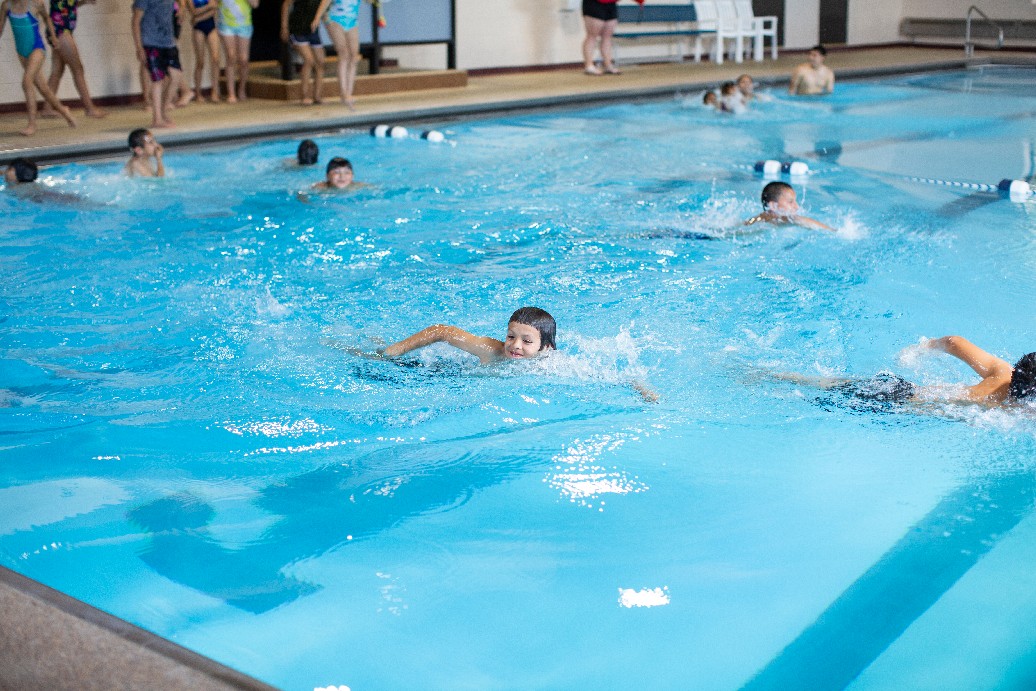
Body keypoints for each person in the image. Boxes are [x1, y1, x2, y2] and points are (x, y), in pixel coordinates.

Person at [777, 336, 1036, 410]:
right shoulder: (1007, 406)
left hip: (897, 387)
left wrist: (920, 348)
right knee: (804, 393)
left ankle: (771, 376)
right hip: (893, 402)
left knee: (812, 383)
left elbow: (955, 342)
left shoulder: (1003, 372)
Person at [0, 0, 77, 136]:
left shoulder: (35, 4)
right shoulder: (6, 5)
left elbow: (47, 18)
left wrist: (53, 37)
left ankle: (32, 124)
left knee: (26, 82)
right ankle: (65, 112)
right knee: (44, 89)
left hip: (37, 49)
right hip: (22, 52)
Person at [381, 307, 557, 364]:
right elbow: (443, 331)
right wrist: (396, 349)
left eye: (526, 341)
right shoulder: (492, 351)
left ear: (546, 347)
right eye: (511, 337)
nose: (515, 345)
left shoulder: (551, 367)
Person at [42, 0, 105, 118]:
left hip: (59, 31)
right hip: (60, 31)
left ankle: (47, 108)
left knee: (57, 71)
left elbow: (69, 4)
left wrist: (84, 2)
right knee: (78, 70)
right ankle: (89, 108)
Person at [132, 0, 185, 128]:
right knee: (158, 80)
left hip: (168, 42)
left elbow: (181, 3)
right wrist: (139, 48)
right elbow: (135, 22)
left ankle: (163, 110)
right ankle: (157, 119)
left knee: (176, 75)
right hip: (151, 42)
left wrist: (181, 9)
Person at [280, 0, 330, 106]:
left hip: (312, 30)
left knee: (320, 62)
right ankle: (305, 95)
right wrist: (284, 27)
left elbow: (324, 11)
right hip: (298, 29)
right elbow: (286, 4)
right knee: (309, 60)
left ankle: (317, 96)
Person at [744, 181, 833, 231]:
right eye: (790, 202)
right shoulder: (778, 218)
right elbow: (798, 220)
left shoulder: (759, 218)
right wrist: (833, 231)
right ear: (773, 206)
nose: (796, 206)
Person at [218, 0, 259, 103]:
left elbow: (255, 4)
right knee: (231, 56)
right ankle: (231, 93)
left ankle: (241, 89)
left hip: (244, 24)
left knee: (244, 59)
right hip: (226, 24)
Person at [323, 0, 360, 108]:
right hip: (335, 19)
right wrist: (320, 18)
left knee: (354, 56)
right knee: (343, 54)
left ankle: (349, 91)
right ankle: (343, 92)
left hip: (352, 21)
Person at [188, 0, 222, 102]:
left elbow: (214, 8)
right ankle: (198, 93)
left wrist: (199, 17)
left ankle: (215, 91)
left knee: (215, 59)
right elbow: (193, 12)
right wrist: (208, 7)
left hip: (211, 26)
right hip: (198, 29)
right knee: (200, 62)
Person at [581, 0, 620, 76]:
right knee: (592, 36)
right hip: (594, 4)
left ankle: (608, 64)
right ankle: (589, 65)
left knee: (607, 36)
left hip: (610, 3)